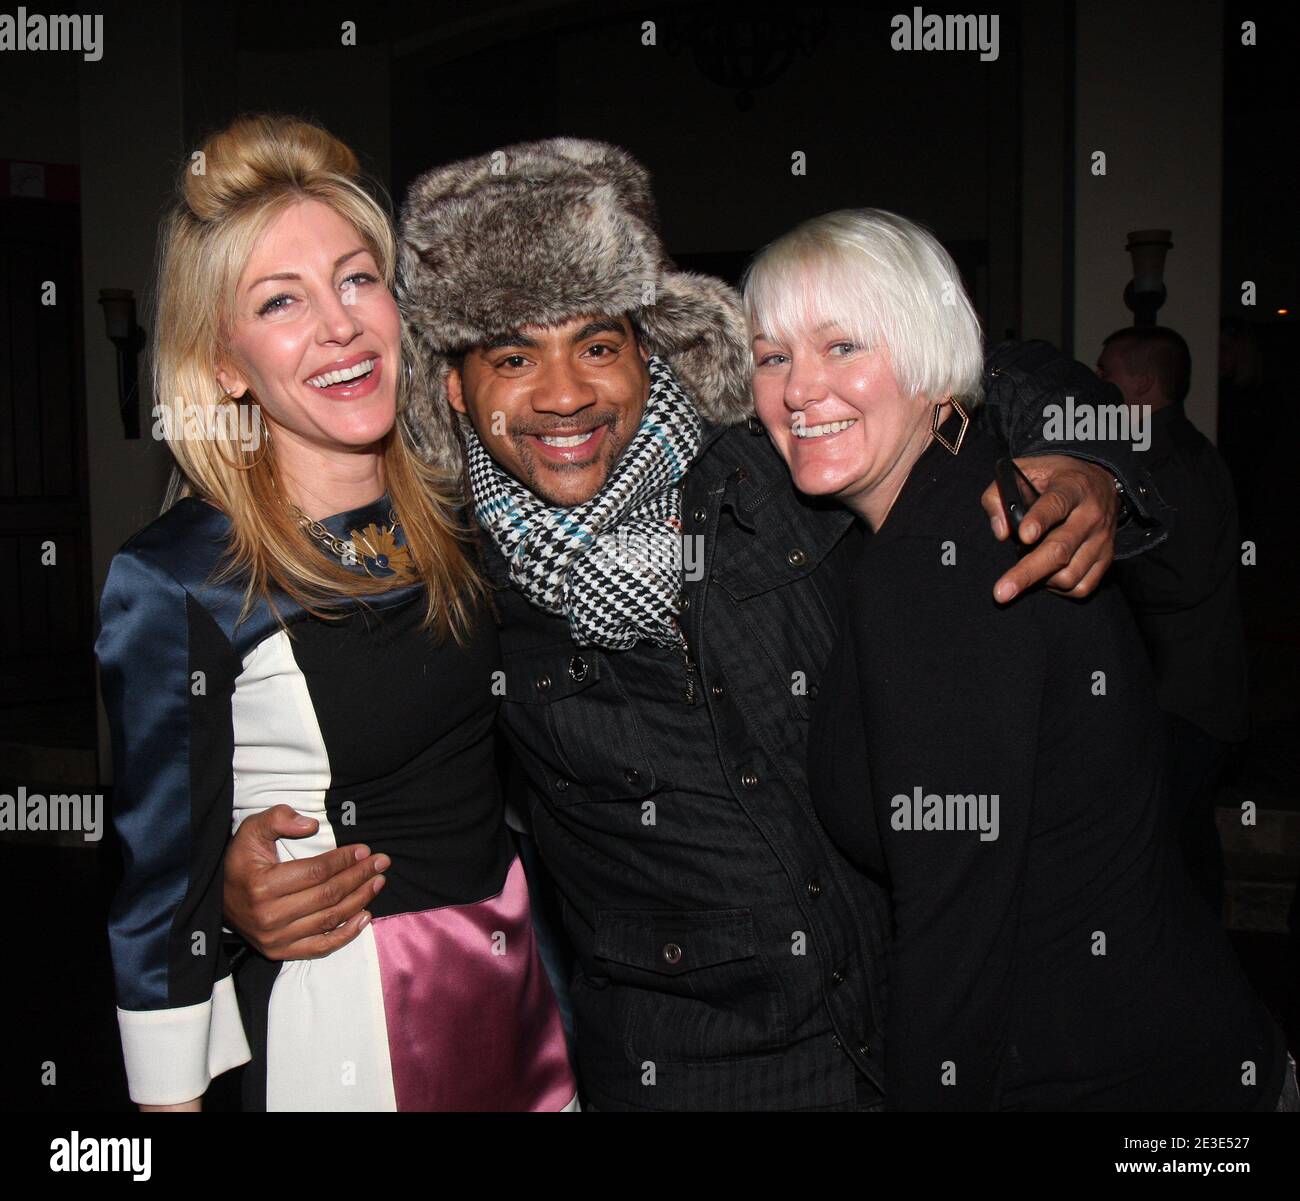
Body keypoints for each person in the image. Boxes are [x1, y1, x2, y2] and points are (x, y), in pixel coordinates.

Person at [223, 138, 1167, 1111]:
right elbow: (364, 759)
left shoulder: (775, 460)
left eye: (596, 344)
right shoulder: (456, 581)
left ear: (647, 349)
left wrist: (1088, 462)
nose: (563, 395)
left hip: (913, 1020)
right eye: (512, 356)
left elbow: (985, 363)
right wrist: (229, 886)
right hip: (689, 1070)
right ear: (456, 386)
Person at [745, 207, 1293, 1109]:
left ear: (929, 360)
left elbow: (954, 937)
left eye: (843, 345)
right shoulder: (963, 498)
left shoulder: (945, 555)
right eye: (773, 356)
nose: (801, 387)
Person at [95, 115, 576, 1112]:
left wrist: (994, 421)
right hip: (341, 1027)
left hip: (518, 993)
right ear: (225, 363)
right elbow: (160, 893)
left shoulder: (471, 510)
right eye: (281, 301)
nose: (340, 324)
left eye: (358, 279)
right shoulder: (182, 578)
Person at [1097, 325, 1248, 913]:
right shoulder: (1166, 451)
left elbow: (1181, 578)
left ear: (1141, 384)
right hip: (1186, 695)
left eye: (1106, 373)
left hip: (1185, 698)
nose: (1098, 385)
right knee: (1185, 849)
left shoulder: (1171, 460)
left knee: (1165, 861)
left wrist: (1098, 559)